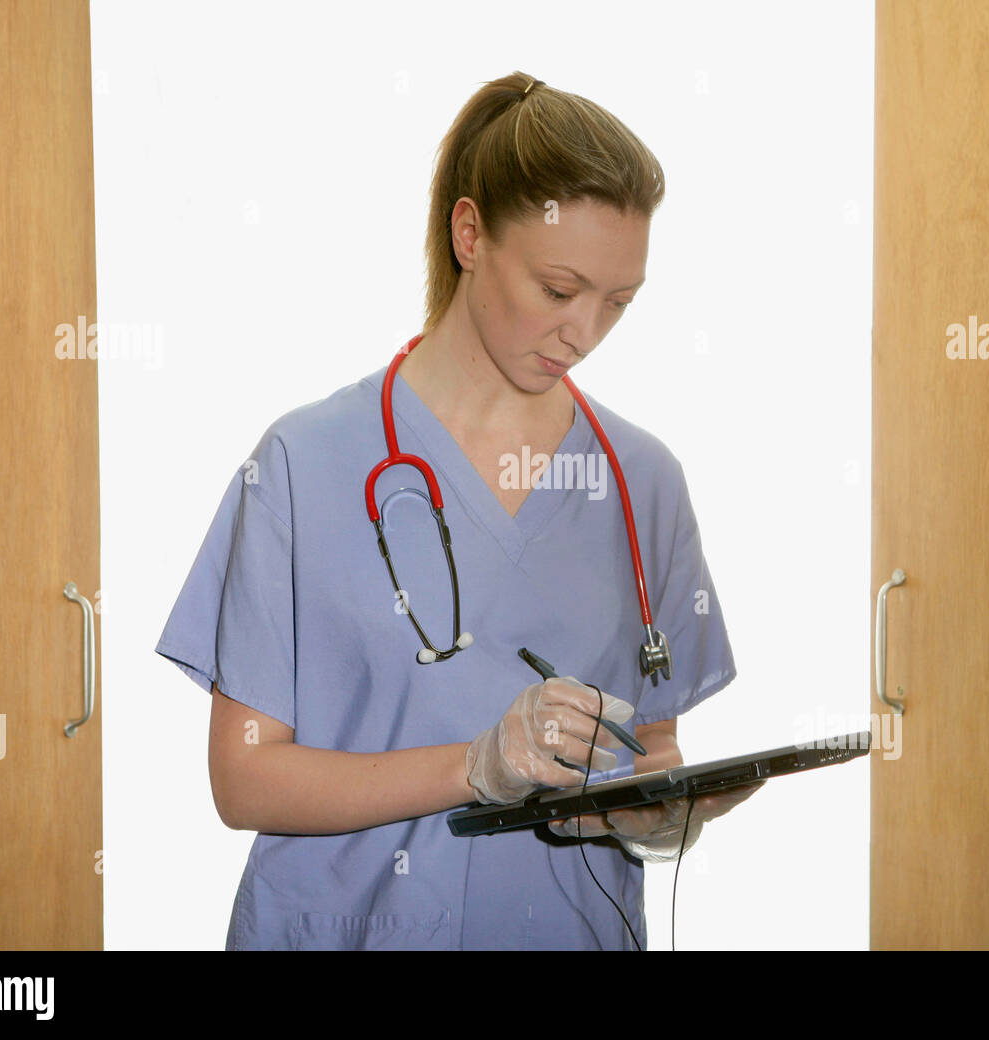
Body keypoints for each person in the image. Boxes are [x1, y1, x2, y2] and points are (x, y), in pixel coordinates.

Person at [155, 70, 756, 951]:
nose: (584, 332)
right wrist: (479, 766)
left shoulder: (641, 480)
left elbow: (649, 747)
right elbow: (243, 781)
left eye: (618, 302)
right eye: (559, 290)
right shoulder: (301, 465)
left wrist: (658, 813)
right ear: (469, 233)